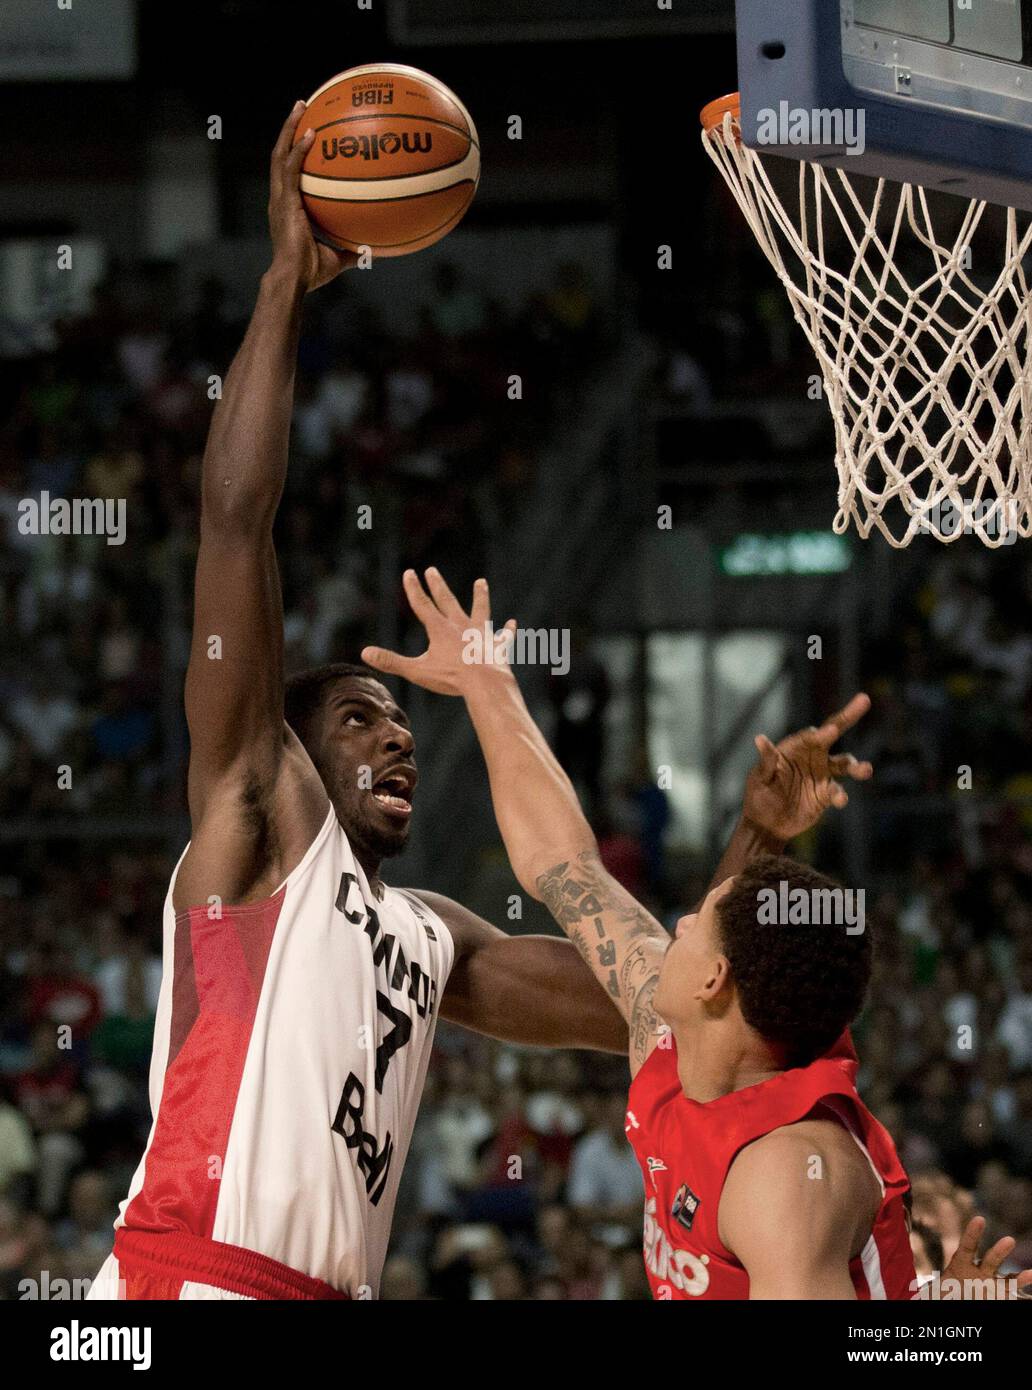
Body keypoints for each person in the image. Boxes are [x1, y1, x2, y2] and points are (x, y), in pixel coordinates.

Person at [86, 103, 629, 1303]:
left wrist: (759, 968)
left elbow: (646, 1000)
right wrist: (285, 285)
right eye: (358, 716)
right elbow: (235, 522)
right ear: (291, 748)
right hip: (187, 1280)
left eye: (400, 719)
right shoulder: (259, 821)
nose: (395, 732)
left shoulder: (434, 935)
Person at [363, 569, 1032, 1301]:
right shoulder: (668, 1034)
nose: (675, 923)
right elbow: (562, 863)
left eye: (697, 924)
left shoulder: (786, 1173)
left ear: (716, 981)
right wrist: (488, 685)